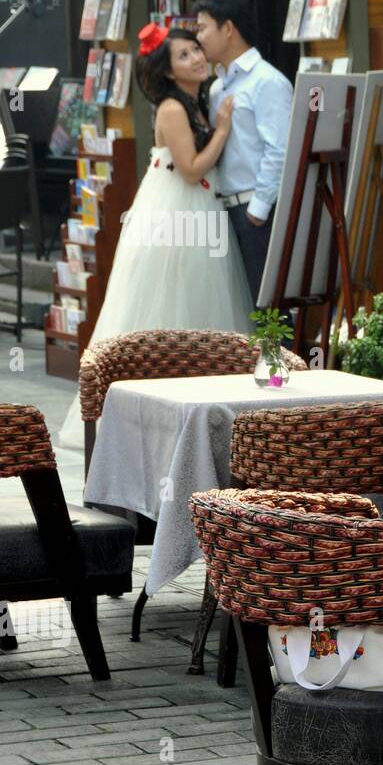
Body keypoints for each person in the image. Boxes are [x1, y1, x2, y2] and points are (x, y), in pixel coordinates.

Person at [57, 23, 251, 449]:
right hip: (176, 214)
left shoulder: (192, 101)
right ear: (166, 70)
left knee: (198, 298)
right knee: (169, 298)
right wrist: (221, 128)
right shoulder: (172, 108)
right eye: (183, 55)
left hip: (192, 209)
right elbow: (191, 169)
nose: (197, 58)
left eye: (196, 50)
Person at [192, 0, 293, 303]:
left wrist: (259, 210)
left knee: (268, 311)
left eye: (202, 28)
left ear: (228, 29)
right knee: (240, 307)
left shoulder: (267, 82)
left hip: (254, 214)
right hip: (226, 211)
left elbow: (280, 149)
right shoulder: (219, 86)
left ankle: (281, 356)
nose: (198, 38)